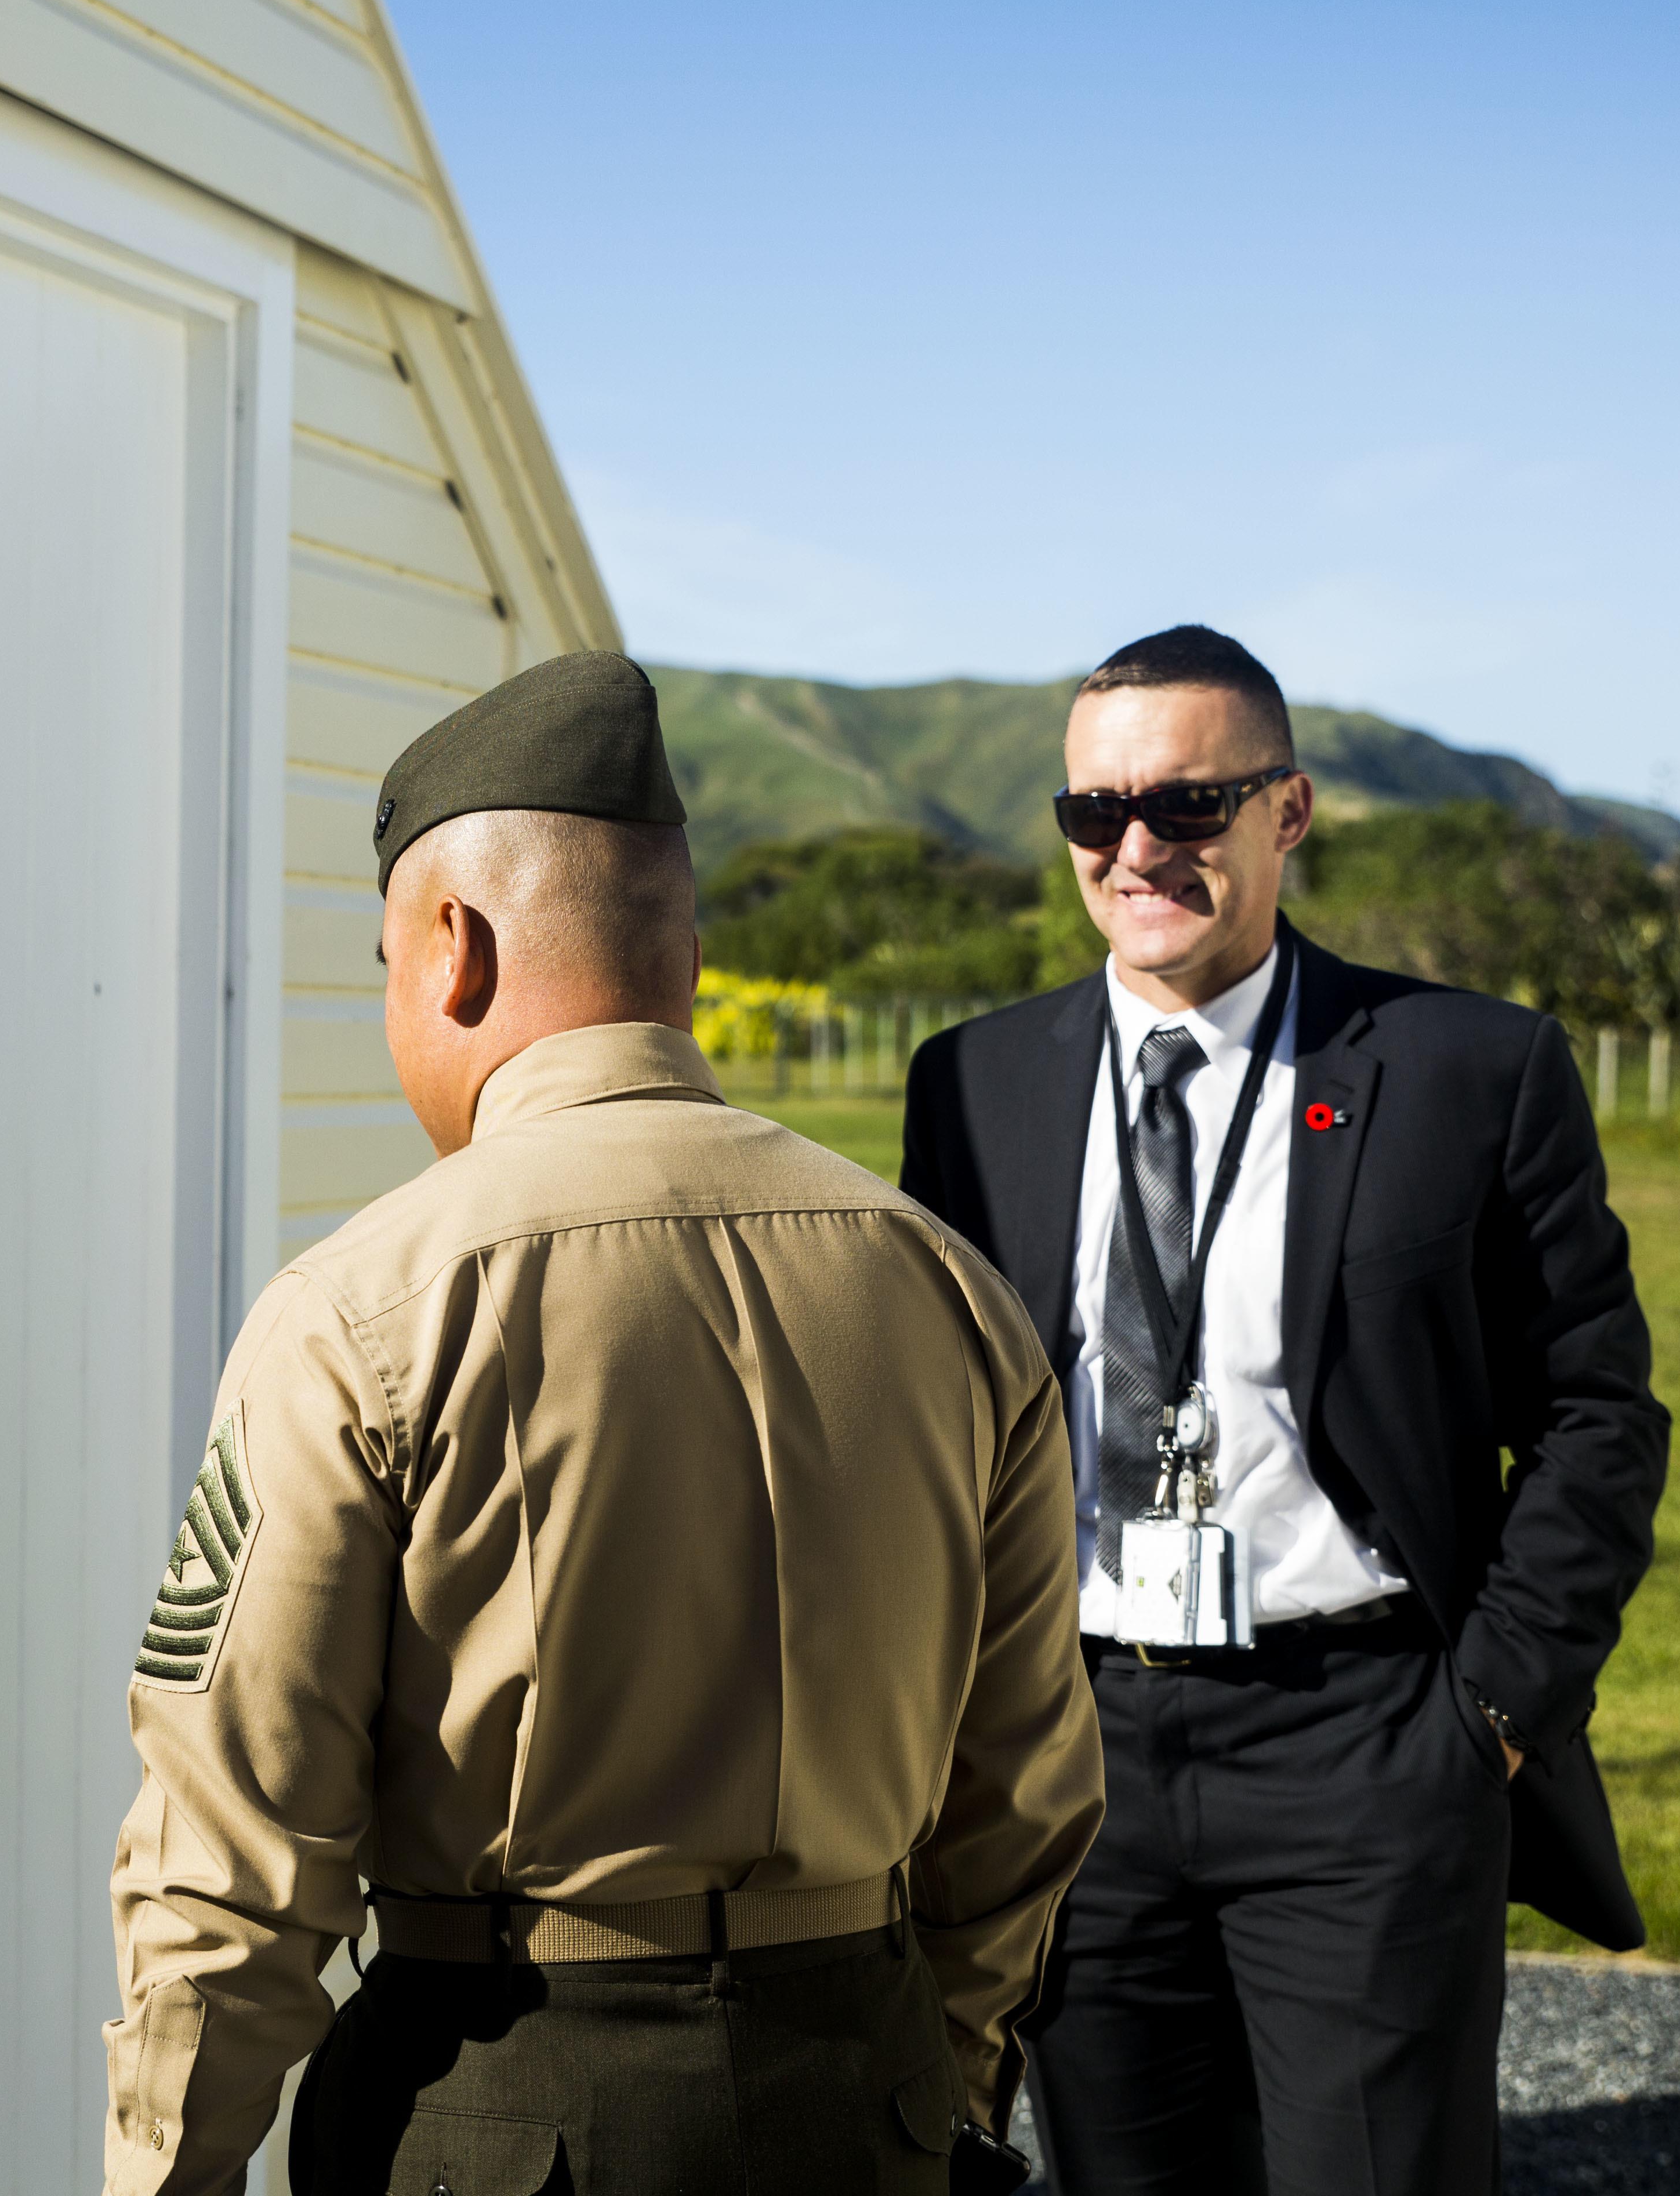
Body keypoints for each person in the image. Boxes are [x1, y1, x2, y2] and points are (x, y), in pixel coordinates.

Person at [101, 650, 1104, 2196]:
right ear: (683, 954)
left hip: (499, 2104)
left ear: (452, 946)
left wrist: (167, 2171)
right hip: (872, 2092)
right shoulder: (949, 1289)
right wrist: (940, 2080)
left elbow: (234, 1851)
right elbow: (1029, 1790)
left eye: (383, 965)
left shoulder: (367, 1306)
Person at [899, 626, 1670, 2196]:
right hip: (1076, 1753)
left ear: (1288, 813)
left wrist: (1491, 1715)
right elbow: (933, 1426)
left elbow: (1598, 1412)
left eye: (1186, 809)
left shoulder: (1471, 1067)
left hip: (1366, 1746)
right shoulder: (971, 1083)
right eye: (1092, 814)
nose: (1134, 850)